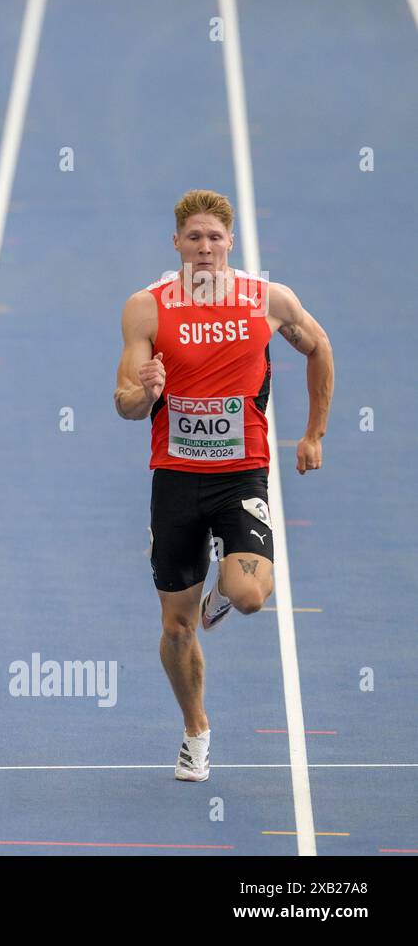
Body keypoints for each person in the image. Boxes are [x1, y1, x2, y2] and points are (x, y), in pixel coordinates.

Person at [113, 189, 333, 782]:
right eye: (194, 238)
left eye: (215, 237)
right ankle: (195, 730)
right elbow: (124, 404)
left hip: (242, 474)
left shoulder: (268, 300)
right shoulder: (147, 309)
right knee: (175, 628)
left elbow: (321, 348)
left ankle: (223, 597)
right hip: (177, 480)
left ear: (230, 242)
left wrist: (313, 433)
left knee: (251, 594)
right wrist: (149, 392)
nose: (205, 247)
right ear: (177, 243)